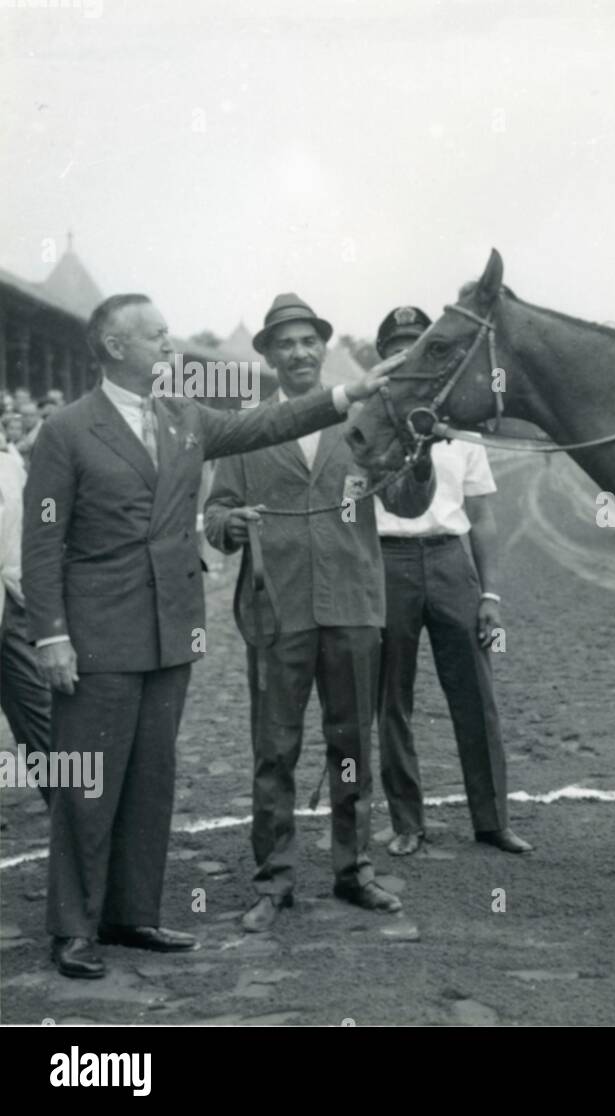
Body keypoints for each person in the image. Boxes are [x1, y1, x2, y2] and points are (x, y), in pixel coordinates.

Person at [23, 292, 393, 980]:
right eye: (158, 337)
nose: (171, 347)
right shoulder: (67, 430)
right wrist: (51, 636)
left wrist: (348, 392)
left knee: (152, 779)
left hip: (169, 633)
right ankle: (73, 928)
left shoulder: (183, 418)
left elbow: (269, 421)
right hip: (96, 634)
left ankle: (130, 914)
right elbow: (42, 545)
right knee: (90, 783)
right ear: (114, 347)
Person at [204, 294, 435, 935]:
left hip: (354, 606)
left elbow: (411, 504)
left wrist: (423, 449)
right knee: (274, 750)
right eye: (286, 343)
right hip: (275, 611)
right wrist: (231, 523)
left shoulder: (363, 417)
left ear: (323, 348)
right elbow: (215, 516)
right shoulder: (246, 432)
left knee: (351, 744)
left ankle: (353, 870)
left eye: (310, 341)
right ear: (269, 355)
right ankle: (273, 882)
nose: (300, 353)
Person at [372, 306, 530, 859]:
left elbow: (483, 518)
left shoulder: (460, 431)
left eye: (418, 346)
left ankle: (492, 821)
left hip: (447, 561)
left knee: (475, 696)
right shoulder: (370, 422)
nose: (408, 354)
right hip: (386, 562)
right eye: (398, 348)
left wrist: (489, 594)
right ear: (385, 358)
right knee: (392, 698)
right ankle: (407, 822)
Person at [0, 442, 53, 805]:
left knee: (39, 706)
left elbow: (31, 527)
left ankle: (70, 802)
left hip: (12, 605)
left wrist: (22, 574)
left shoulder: (9, 465)